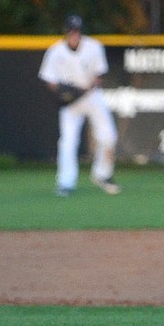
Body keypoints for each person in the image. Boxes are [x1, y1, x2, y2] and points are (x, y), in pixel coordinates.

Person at [38, 14, 121, 196]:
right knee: (67, 141)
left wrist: (83, 91)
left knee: (108, 136)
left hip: (92, 96)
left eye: (77, 31)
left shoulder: (93, 47)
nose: (74, 34)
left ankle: (102, 174)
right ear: (66, 32)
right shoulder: (55, 51)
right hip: (71, 102)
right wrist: (64, 93)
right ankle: (65, 182)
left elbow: (100, 74)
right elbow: (49, 80)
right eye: (71, 31)